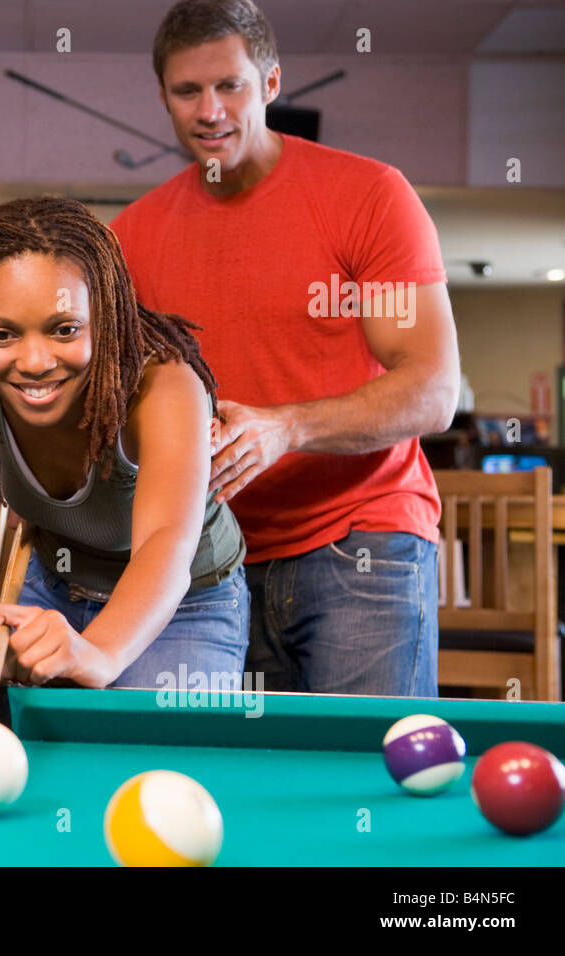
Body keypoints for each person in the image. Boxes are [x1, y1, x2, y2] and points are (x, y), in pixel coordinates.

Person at [110, 0, 459, 696]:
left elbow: (432, 388)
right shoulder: (132, 236)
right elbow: (121, 410)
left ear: (270, 84)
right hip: (207, 557)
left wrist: (286, 428)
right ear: (164, 98)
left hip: (361, 538)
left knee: (361, 781)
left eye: (230, 86)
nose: (209, 110)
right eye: (188, 91)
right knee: (219, 784)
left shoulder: (366, 196)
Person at [0, 196, 248, 689]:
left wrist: (96, 651)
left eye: (65, 329)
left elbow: (165, 544)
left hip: (186, 604)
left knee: (150, 757)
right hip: (54, 588)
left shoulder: (165, 385)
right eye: (4, 334)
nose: (33, 361)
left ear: (107, 317)